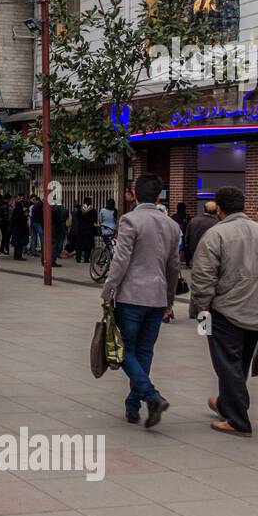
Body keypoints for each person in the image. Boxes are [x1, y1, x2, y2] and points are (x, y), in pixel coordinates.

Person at [190, 185, 258, 437]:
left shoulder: (216, 234)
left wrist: (202, 307)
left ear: (219, 208)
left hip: (224, 311)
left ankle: (238, 419)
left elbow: (203, 276)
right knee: (240, 363)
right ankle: (226, 403)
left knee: (226, 363)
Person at [101, 174, 181, 428]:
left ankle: (150, 395)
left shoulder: (130, 220)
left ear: (134, 194)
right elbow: (173, 267)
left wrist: (108, 289)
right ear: (159, 196)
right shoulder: (171, 225)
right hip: (157, 297)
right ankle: (133, 404)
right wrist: (169, 299)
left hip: (131, 296)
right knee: (144, 351)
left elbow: (121, 259)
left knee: (123, 350)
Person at [184, 200, 218, 264]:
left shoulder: (193, 221)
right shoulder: (217, 223)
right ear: (216, 211)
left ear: (203, 209)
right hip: (210, 255)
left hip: (194, 253)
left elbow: (187, 239)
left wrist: (188, 257)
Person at [71, 197, 98, 263]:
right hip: (89, 229)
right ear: (90, 202)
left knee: (79, 245)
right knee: (88, 245)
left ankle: (78, 258)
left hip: (81, 229)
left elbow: (78, 219)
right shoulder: (93, 211)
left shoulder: (80, 210)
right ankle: (86, 259)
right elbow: (95, 221)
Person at [48, 200, 68, 267]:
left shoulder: (50, 209)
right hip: (57, 229)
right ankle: (53, 260)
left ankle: (48, 260)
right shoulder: (61, 210)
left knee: (51, 245)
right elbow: (59, 221)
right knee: (56, 244)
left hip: (51, 228)